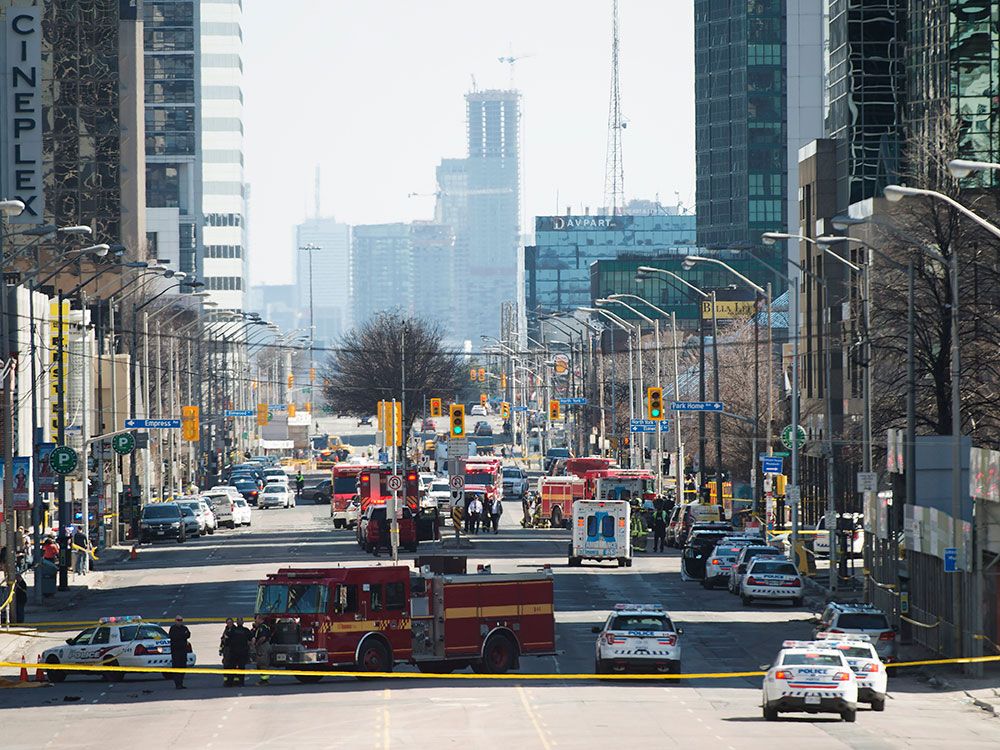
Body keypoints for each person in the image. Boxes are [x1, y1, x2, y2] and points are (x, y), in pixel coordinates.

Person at [224, 617, 252, 687]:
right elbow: (251, 639)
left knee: (232, 667)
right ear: (243, 623)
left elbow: (226, 640)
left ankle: (230, 682)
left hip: (234, 652)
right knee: (241, 668)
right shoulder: (246, 630)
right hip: (242, 652)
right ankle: (240, 682)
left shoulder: (232, 630)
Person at [168, 615, 191, 689]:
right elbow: (173, 637)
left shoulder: (184, 628)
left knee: (183, 667)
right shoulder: (173, 628)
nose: (180, 622)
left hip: (183, 651)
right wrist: (183, 635)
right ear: (175, 621)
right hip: (176, 651)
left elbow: (188, 635)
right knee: (176, 667)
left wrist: (182, 635)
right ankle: (177, 684)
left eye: (181, 620)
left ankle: (181, 683)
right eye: (178, 620)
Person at [250, 615, 273, 686]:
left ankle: (264, 681)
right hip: (262, 646)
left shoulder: (262, 627)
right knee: (260, 663)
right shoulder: (259, 627)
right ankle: (264, 680)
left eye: (256, 619)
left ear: (261, 619)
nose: (255, 620)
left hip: (263, 646)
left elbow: (263, 637)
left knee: (263, 664)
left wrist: (256, 644)